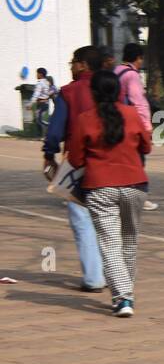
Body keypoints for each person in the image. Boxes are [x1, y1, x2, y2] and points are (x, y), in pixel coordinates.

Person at [68, 70, 151, 317]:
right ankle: (127, 292)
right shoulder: (132, 115)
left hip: (99, 187)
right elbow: (146, 146)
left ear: (93, 93)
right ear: (119, 91)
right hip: (135, 185)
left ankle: (123, 298)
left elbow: (75, 159)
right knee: (129, 241)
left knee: (110, 245)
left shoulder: (85, 119)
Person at [42, 46, 107, 293]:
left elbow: (56, 130)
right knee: (108, 219)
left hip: (78, 161)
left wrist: (49, 154)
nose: (70, 66)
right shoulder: (111, 88)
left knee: (82, 218)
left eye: (73, 62)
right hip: (112, 160)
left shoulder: (69, 92)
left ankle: (93, 278)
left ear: (83, 65)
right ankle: (115, 273)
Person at [115, 42, 159, 211]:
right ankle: (140, 196)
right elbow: (139, 103)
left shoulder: (116, 71)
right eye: (141, 59)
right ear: (138, 58)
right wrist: (147, 126)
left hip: (115, 121)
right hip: (130, 123)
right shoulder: (132, 75)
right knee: (138, 160)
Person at [29, 68, 55, 135]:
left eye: (37, 73)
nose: (36, 75)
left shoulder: (40, 83)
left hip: (42, 104)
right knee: (39, 119)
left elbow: (36, 94)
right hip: (44, 103)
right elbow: (48, 92)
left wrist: (30, 104)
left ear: (40, 74)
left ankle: (49, 129)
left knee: (39, 120)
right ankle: (43, 134)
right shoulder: (46, 82)